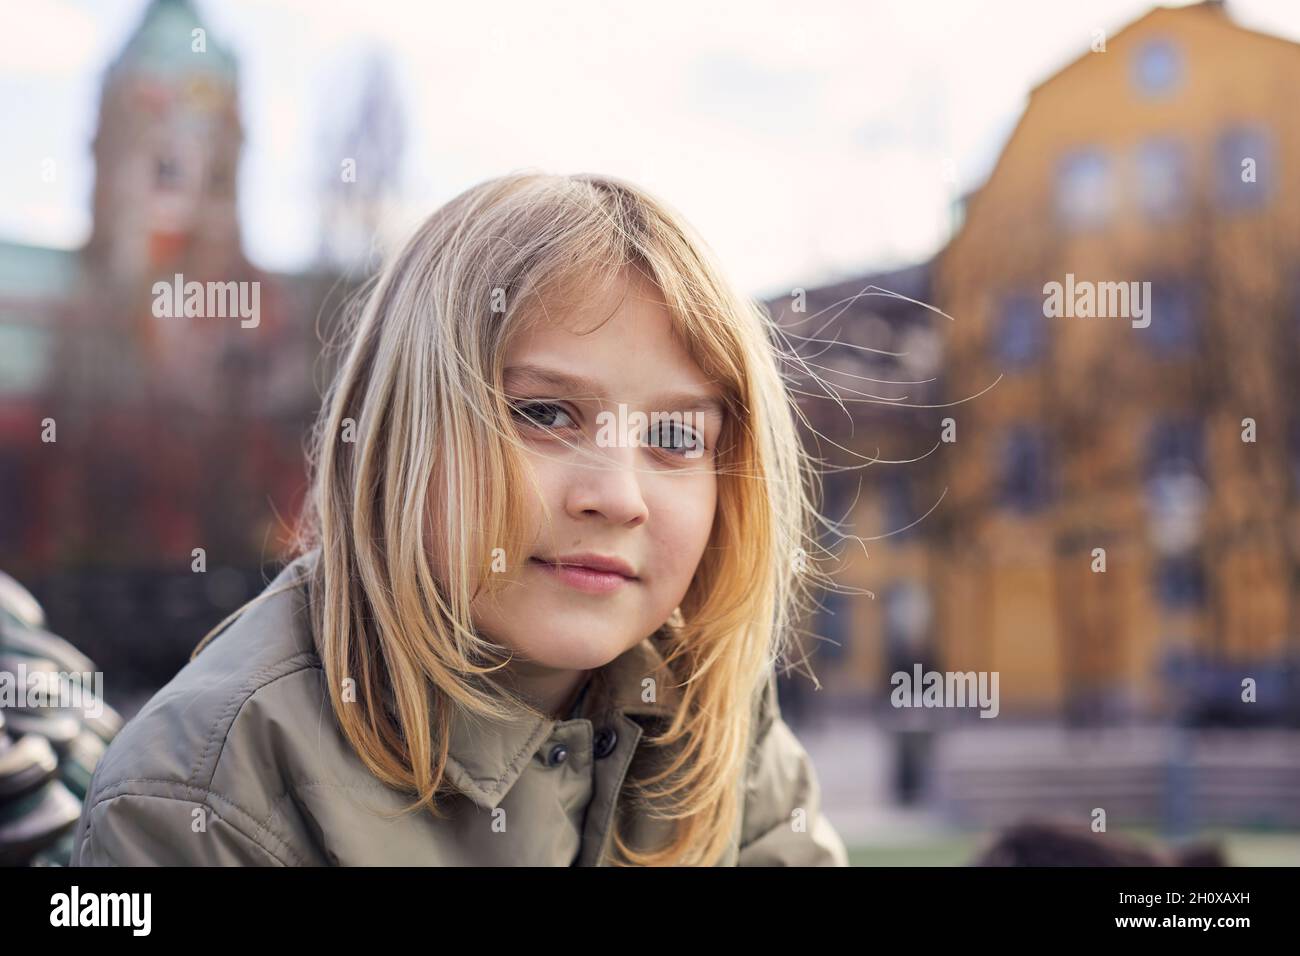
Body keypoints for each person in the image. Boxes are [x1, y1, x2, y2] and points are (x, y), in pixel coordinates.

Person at [69, 172, 849, 866]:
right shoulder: (202, 798)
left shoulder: (714, 715)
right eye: (544, 413)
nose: (617, 495)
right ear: (401, 433)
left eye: (676, 437)